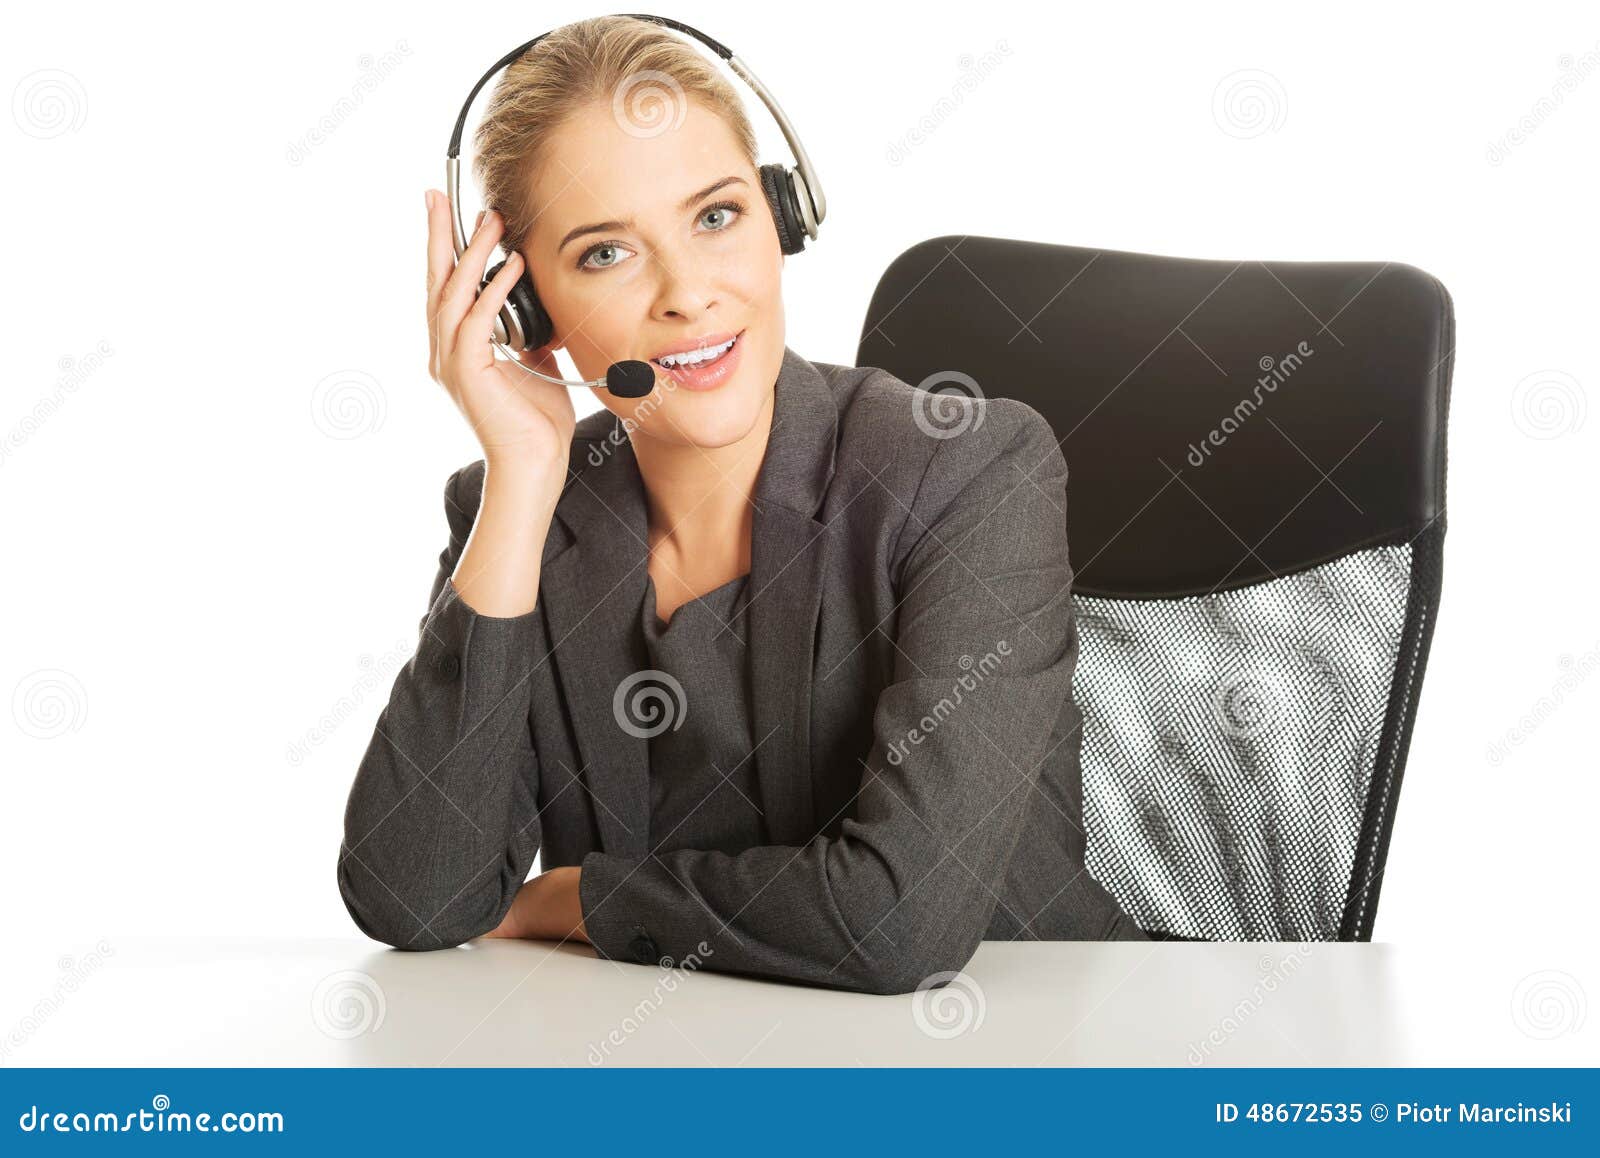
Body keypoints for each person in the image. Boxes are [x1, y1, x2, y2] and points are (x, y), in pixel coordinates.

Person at [337, 14, 1145, 998]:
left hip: (1022, 1063)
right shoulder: (520, 512)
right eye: (604, 253)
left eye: (714, 216)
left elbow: (895, 924)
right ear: (525, 310)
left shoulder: (969, 471)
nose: (688, 294)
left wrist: (579, 900)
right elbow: (416, 898)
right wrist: (520, 477)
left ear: (780, 217)